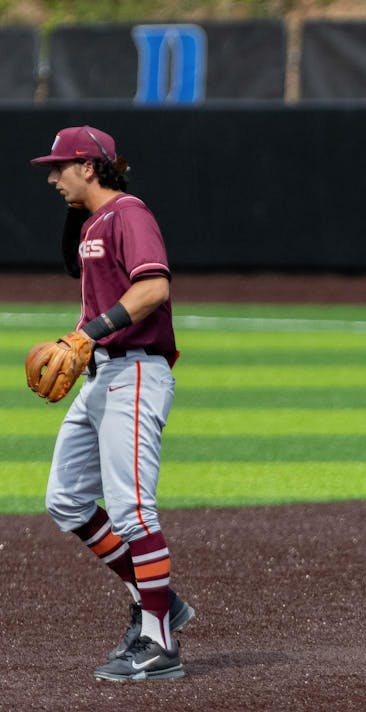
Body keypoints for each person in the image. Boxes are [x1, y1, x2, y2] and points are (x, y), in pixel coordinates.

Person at [30, 125, 194, 679]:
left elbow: (153, 288)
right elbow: (79, 272)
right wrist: (78, 341)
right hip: (101, 377)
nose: (52, 178)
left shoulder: (129, 213)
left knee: (132, 511)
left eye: (60, 167)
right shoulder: (93, 221)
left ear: (88, 167)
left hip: (137, 372)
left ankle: (159, 642)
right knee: (66, 499)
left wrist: (88, 333)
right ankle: (157, 598)